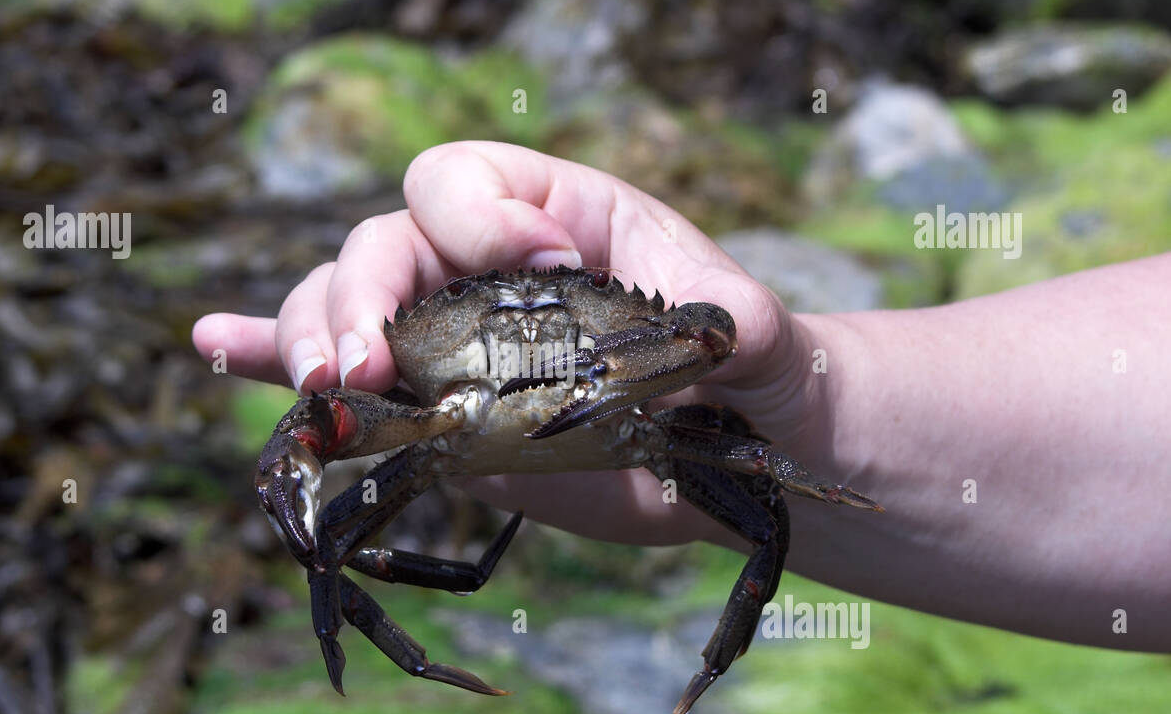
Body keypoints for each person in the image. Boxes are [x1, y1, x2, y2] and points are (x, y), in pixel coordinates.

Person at [194, 140, 1171, 654]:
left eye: (564, 310)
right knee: (332, 543)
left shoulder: (666, 384)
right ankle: (391, 656)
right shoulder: (405, 397)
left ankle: (710, 662)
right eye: (477, 312)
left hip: (629, 417)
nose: (527, 329)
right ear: (420, 325)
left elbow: (707, 329)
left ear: (616, 307)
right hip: (443, 423)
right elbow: (308, 443)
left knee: (768, 518)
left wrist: (810, 446)